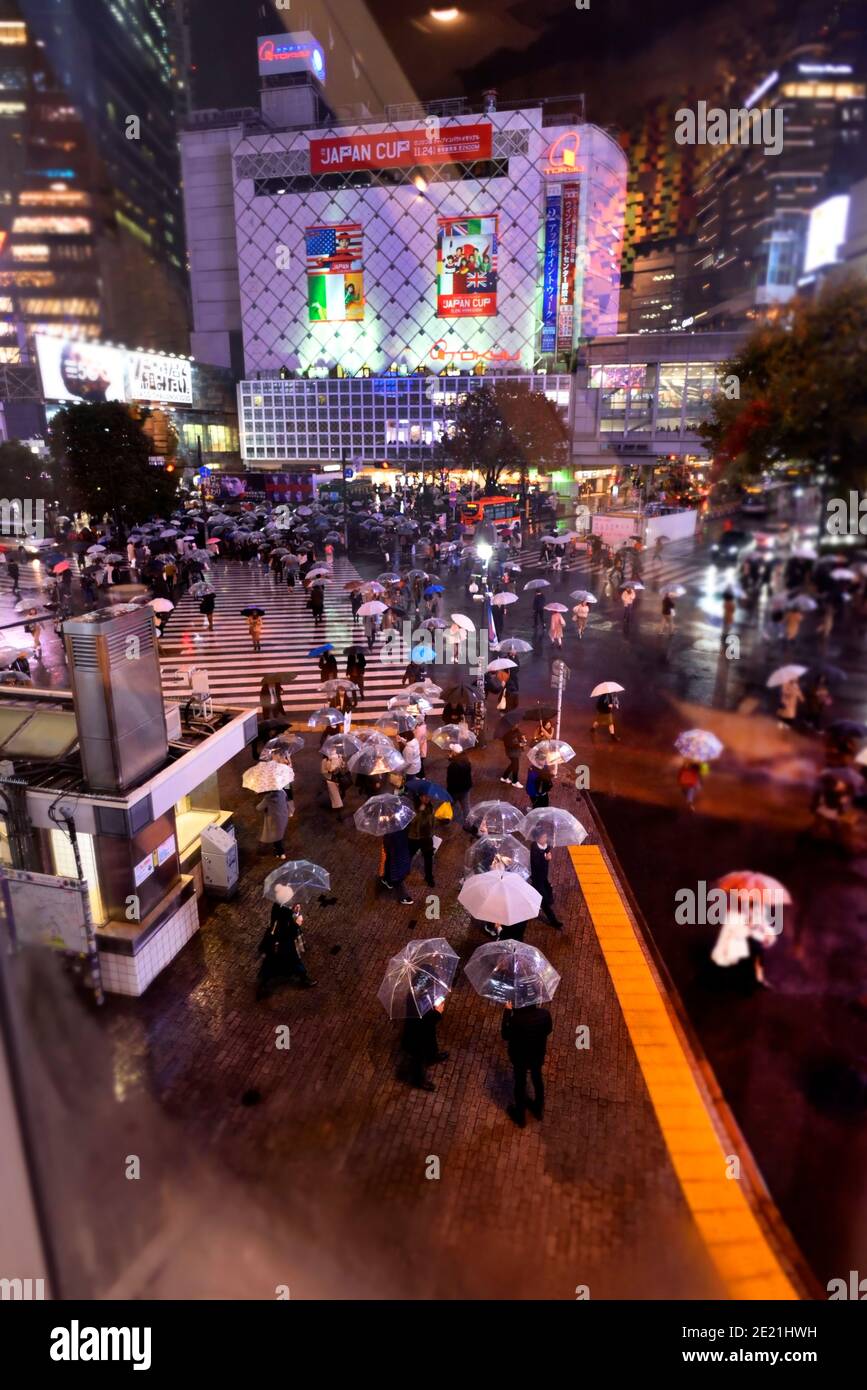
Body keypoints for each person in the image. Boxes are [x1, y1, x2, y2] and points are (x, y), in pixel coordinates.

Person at [501, 1001, 553, 1127]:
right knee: (537, 1078)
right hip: (537, 1054)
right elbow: (548, 1030)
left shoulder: (516, 1020)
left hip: (520, 1057)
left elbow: (505, 1034)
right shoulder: (545, 1015)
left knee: (520, 1083)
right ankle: (538, 1108)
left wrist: (507, 1012)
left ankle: (520, 1116)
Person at [256, 899, 316, 997]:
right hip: (282, 942)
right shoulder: (282, 911)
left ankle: (263, 984)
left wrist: (295, 911)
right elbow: (286, 931)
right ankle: (303, 978)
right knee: (291, 959)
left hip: (280, 941)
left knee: (272, 962)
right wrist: (297, 923)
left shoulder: (280, 904)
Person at [400, 997, 447, 1091]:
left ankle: (432, 1057)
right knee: (418, 1057)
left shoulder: (421, 991)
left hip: (424, 1031)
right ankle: (418, 1080)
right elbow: (425, 1021)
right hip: (416, 1036)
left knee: (430, 1042)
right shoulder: (415, 1000)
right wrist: (438, 1012)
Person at [529, 836, 562, 927]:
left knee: (545, 892)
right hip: (537, 879)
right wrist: (546, 860)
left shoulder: (546, 847)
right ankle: (554, 921)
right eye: (543, 837)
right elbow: (536, 865)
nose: (545, 839)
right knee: (544, 902)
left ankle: (532, 906)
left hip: (543, 878)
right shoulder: (534, 848)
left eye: (546, 836)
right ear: (538, 838)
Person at [407, 793, 436, 889]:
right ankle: (405, 870)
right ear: (420, 797)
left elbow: (432, 821)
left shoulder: (430, 807)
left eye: (428, 796)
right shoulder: (413, 807)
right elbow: (411, 822)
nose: (428, 798)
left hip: (427, 837)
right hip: (415, 837)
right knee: (409, 855)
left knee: (428, 858)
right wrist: (420, 811)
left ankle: (429, 877)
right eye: (425, 796)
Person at [381, 826, 414, 905]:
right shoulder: (404, 827)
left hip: (395, 854)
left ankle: (388, 880)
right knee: (397, 874)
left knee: (396, 874)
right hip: (401, 853)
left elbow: (387, 846)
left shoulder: (389, 831)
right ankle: (388, 881)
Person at [257, 787, 290, 858]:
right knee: (278, 834)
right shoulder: (283, 792)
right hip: (283, 817)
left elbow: (259, 808)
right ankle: (278, 851)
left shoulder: (268, 798)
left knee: (275, 836)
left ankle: (281, 852)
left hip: (273, 820)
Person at [446, 746, 473, 826]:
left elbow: (450, 779)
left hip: (454, 790)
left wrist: (450, 760)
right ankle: (469, 824)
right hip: (465, 788)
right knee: (466, 807)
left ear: (454, 752)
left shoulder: (453, 766)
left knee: (449, 805)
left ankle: (447, 820)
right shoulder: (466, 760)